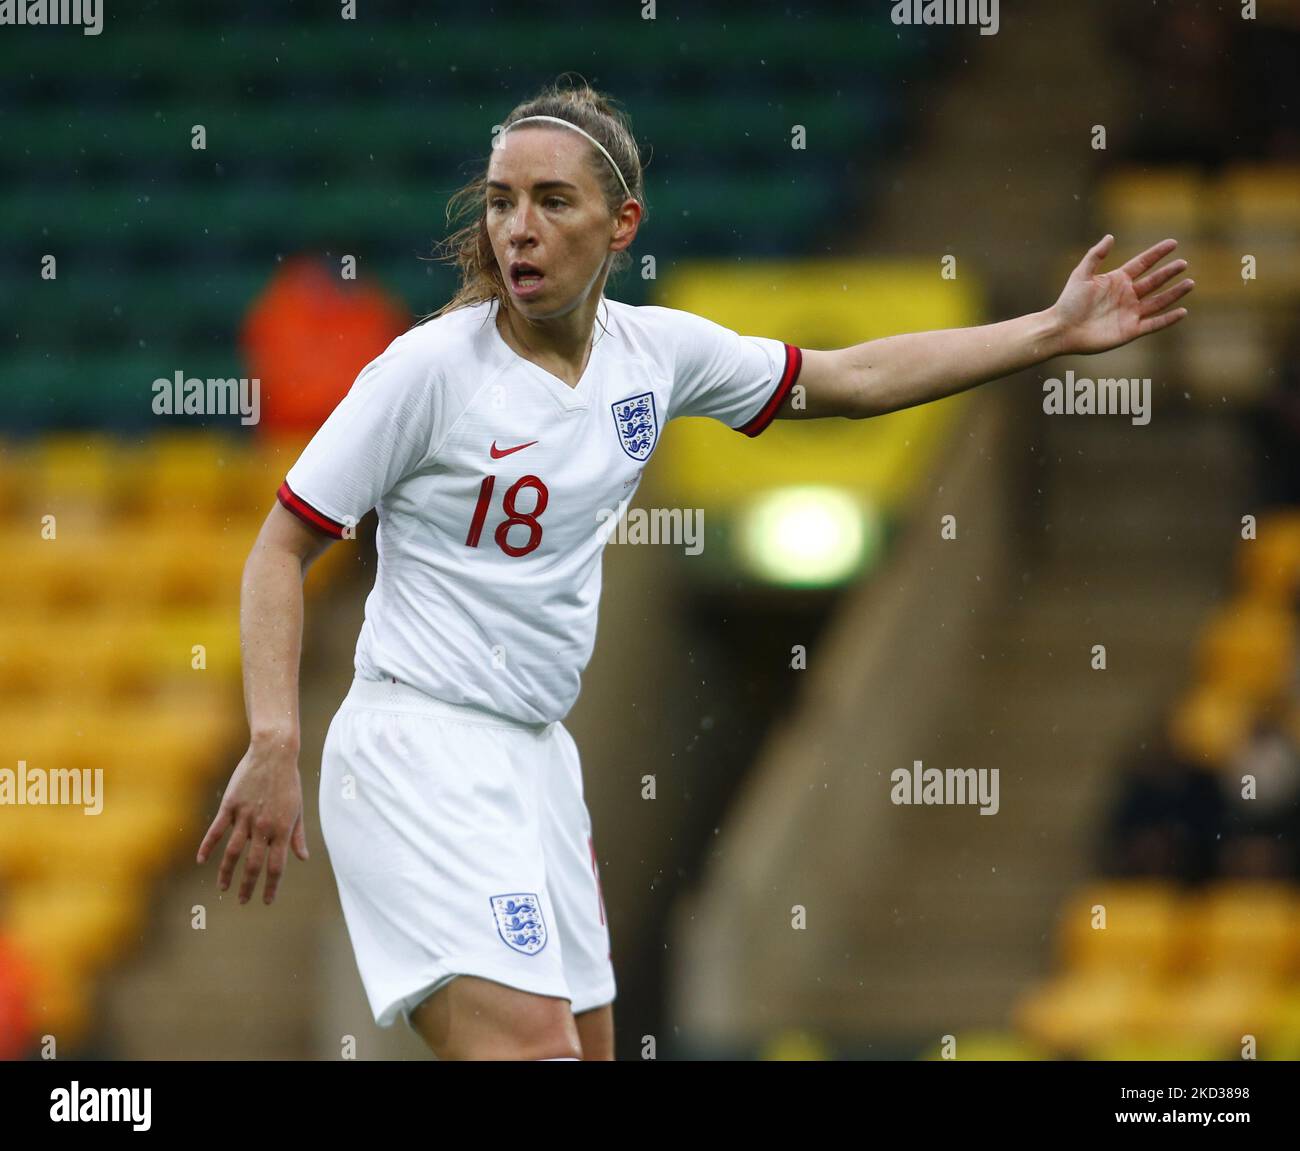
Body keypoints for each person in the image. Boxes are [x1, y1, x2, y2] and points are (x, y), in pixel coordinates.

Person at [196, 77, 1194, 1061]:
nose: (519, 228)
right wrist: (277, 736)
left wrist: (1048, 332)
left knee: (588, 1049)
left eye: (552, 201)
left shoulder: (655, 354)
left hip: (535, 756)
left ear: (621, 222)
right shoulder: (427, 371)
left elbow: (845, 380)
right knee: (532, 1047)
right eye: (502, 202)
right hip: (421, 748)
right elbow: (280, 546)